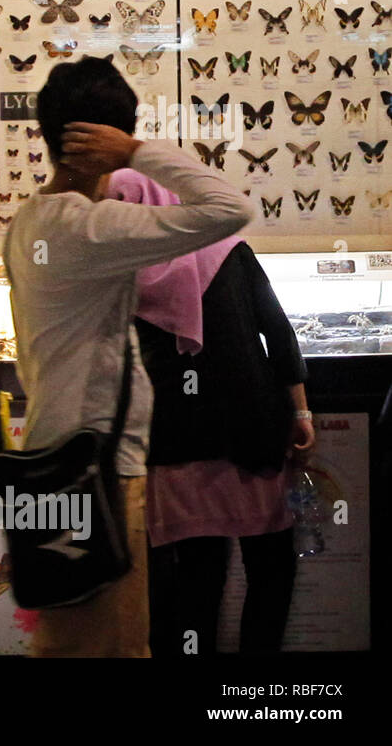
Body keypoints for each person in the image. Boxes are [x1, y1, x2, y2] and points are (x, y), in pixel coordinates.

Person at [1, 57, 254, 657]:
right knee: (113, 643)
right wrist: (137, 151)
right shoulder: (89, 228)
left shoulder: (29, 220)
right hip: (98, 466)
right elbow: (229, 209)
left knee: (71, 639)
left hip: (51, 450)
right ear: (99, 143)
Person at [105, 169, 315, 655]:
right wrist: (300, 414)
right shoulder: (226, 247)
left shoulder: (121, 267)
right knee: (271, 568)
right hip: (250, 430)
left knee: (197, 577)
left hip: (176, 440)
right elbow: (279, 333)